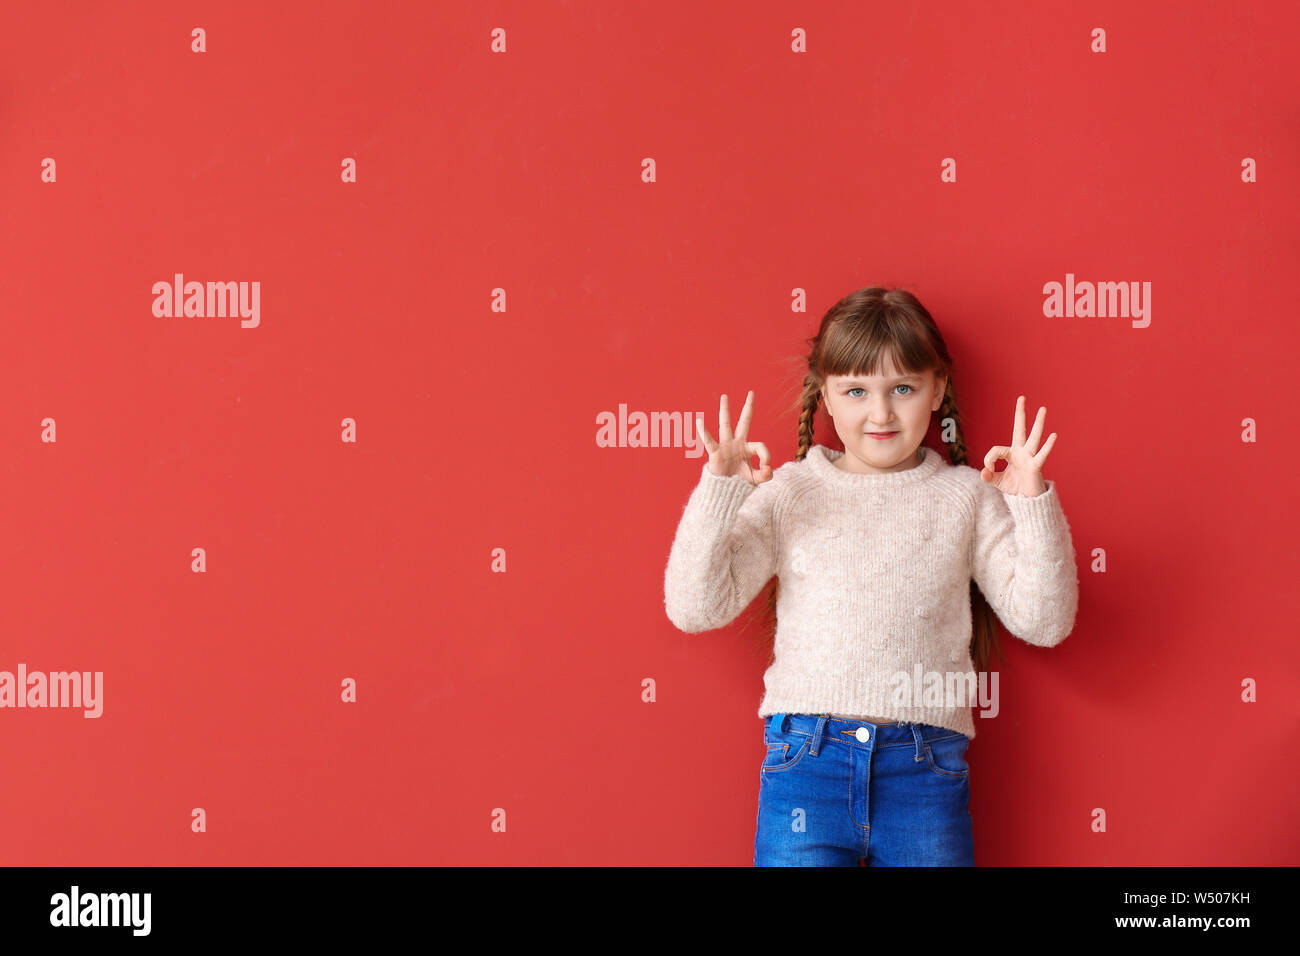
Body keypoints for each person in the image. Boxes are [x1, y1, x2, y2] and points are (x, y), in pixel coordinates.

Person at [662, 286, 1080, 866]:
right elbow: (694, 606)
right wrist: (720, 490)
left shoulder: (965, 498)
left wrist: (1032, 503)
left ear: (937, 389)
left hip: (925, 772)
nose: (880, 413)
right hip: (807, 766)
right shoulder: (789, 493)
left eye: (902, 389)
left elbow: (1045, 622)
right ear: (825, 397)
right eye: (856, 390)